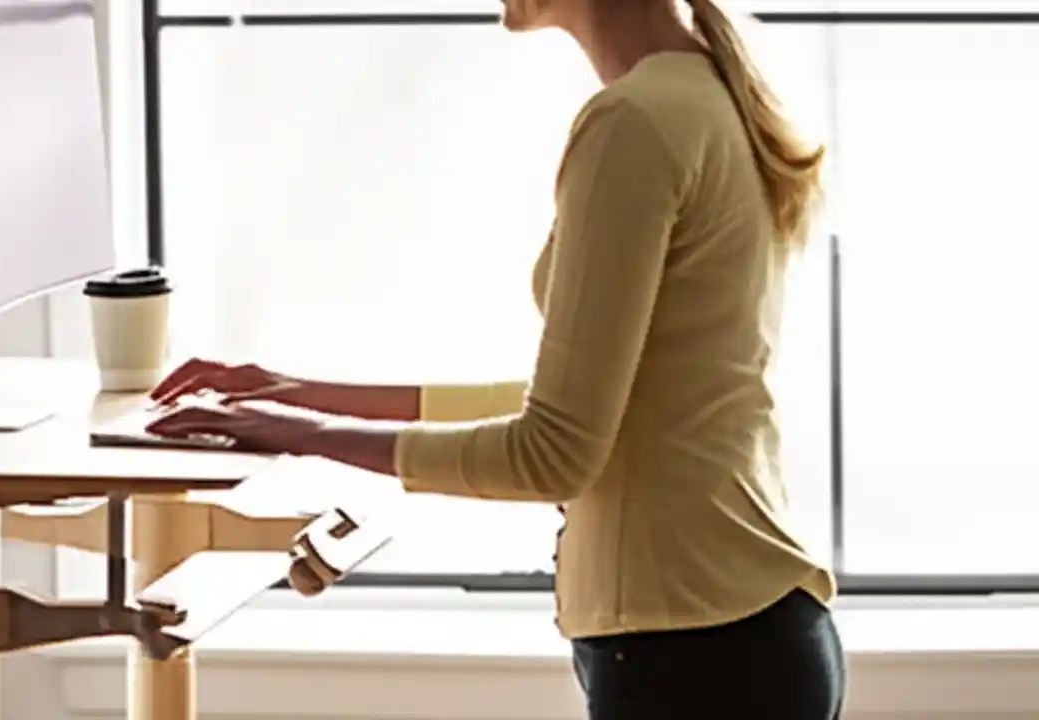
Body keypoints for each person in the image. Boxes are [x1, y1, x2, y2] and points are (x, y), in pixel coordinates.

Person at [146, 0, 845, 716]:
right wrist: (302, 395)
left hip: (695, 656)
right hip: (739, 633)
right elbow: (607, 404)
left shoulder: (636, 123)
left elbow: (554, 453)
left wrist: (304, 438)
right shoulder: (703, 94)